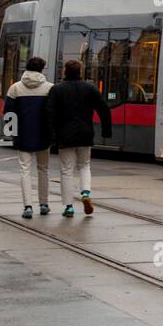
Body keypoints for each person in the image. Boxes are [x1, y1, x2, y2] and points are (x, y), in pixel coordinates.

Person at [47, 59, 111, 218]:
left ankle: (69, 207)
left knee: (66, 170)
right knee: (84, 165)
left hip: (65, 135)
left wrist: (51, 134)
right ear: (81, 72)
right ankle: (85, 193)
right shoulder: (90, 88)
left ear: (65, 72)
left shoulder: (57, 89)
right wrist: (106, 131)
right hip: (85, 133)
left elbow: (49, 113)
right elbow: (103, 109)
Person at [4, 56, 54, 220]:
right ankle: (44, 204)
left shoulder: (15, 88)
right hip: (44, 135)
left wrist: (11, 133)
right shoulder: (49, 88)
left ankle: (27, 206)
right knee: (43, 169)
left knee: (24, 170)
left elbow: (9, 113)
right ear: (42, 69)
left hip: (23, 135)